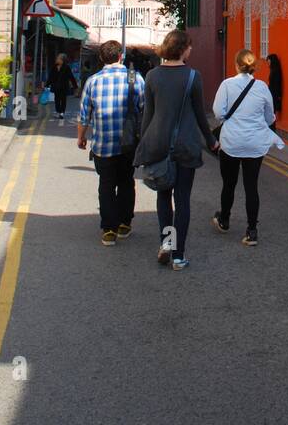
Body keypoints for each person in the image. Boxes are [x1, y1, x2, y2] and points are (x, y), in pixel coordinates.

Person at [134, 29, 218, 271]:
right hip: (187, 146)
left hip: (159, 144)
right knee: (182, 201)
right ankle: (179, 256)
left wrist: (143, 146)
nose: (191, 50)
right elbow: (201, 115)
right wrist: (211, 140)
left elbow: (147, 117)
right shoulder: (193, 77)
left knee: (163, 197)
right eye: (189, 46)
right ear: (182, 49)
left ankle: (166, 244)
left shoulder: (152, 76)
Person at [212, 49, 284, 246]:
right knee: (251, 186)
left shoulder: (227, 85)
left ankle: (224, 219)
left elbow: (218, 112)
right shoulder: (262, 87)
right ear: (254, 67)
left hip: (231, 142)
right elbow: (270, 117)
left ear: (237, 65)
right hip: (254, 143)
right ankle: (252, 231)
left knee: (229, 183)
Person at [78, 41, 145, 246]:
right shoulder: (136, 78)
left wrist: (81, 137)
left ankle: (108, 229)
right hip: (129, 143)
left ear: (101, 58)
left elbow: (84, 114)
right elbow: (144, 109)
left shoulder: (93, 81)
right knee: (127, 181)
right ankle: (125, 223)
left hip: (102, 144)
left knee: (106, 185)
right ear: (120, 57)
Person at [47, 52, 79, 121]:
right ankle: (58, 111)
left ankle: (62, 113)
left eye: (58, 58)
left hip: (64, 86)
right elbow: (50, 76)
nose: (57, 59)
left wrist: (75, 86)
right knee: (57, 99)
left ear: (62, 60)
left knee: (63, 100)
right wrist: (47, 84)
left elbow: (71, 77)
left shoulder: (67, 67)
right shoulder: (54, 67)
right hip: (55, 86)